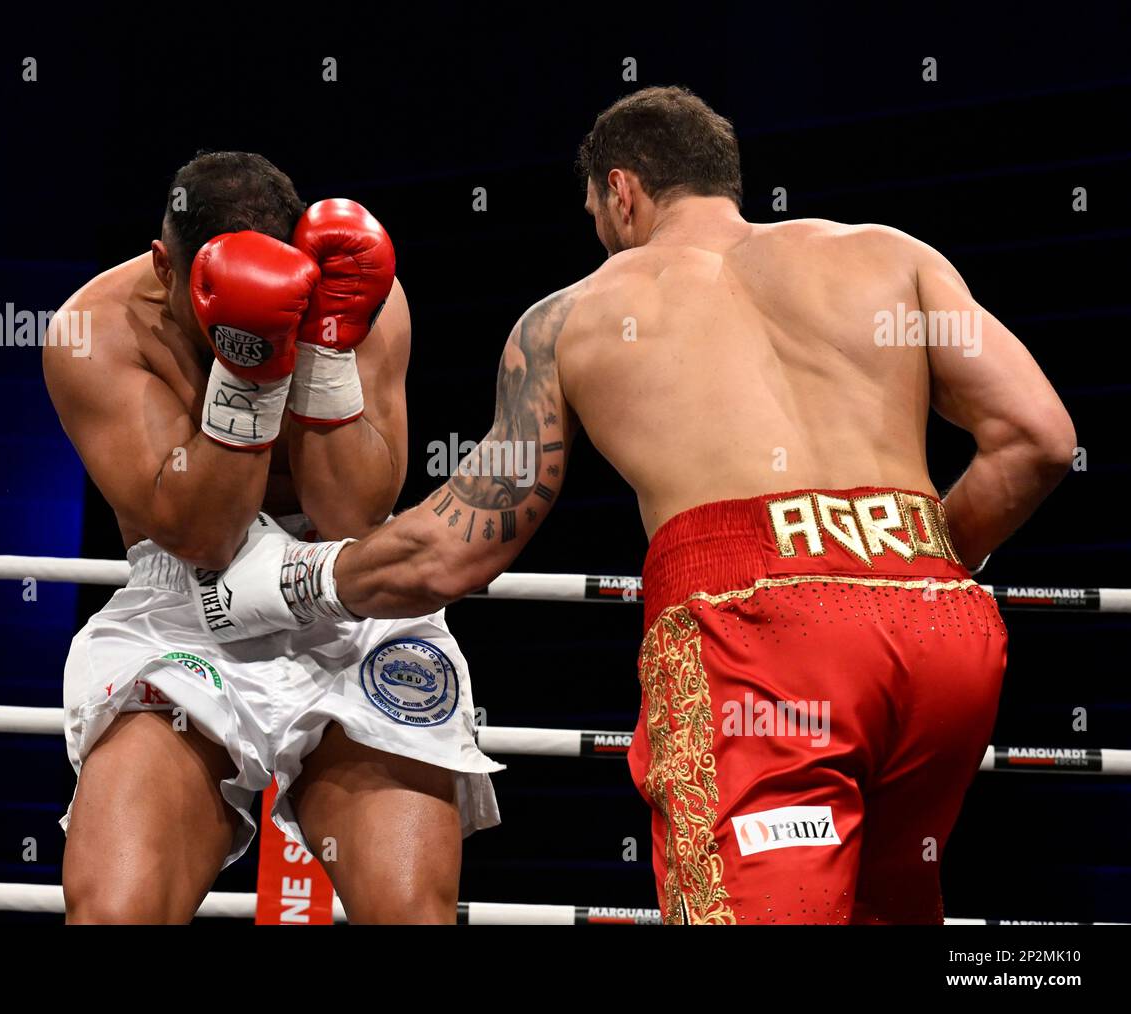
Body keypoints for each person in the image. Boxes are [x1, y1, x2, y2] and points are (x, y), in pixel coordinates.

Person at [206, 88, 1076, 923]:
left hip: (759, 639)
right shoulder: (894, 254)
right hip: (940, 633)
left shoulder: (573, 315)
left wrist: (295, 576)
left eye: (592, 213)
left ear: (620, 191)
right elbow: (1037, 440)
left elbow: (452, 552)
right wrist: (905, 553)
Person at [42, 151, 499, 925]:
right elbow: (205, 536)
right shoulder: (96, 330)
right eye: (207, 296)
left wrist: (316, 347)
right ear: (163, 266)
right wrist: (250, 366)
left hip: (348, 602)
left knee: (409, 916)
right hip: (187, 616)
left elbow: (354, 515)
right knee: (116, 913)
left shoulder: (363, 300)